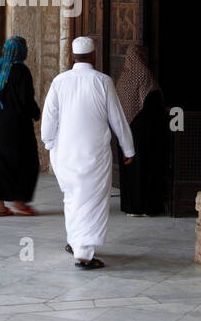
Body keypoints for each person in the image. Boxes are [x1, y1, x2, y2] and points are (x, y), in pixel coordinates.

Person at [41, 35, 134, 268]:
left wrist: (49, 142)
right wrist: (128, 148)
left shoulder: (59, 81)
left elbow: (49, 117)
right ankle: (83, 253)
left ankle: (75, 241)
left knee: (73, 198)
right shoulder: (103, 81)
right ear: (93, 55)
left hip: (65, 152)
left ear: (73, 56)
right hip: (94, 154)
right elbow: (117, 119)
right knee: (91, 201)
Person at [0, 34, 41, 217]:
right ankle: (19, 201)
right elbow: (26, 99)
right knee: (27, 162)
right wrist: (36, 113)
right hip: (16, 127)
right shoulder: (20, 71)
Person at [116, 43, 169, 216]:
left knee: (129, 169)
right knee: (145, 168)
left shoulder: (122, 78)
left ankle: (130, 207)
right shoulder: (145, 75)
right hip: (143, 131)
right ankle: (146, 207)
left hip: (125, 129)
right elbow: (152, 104)